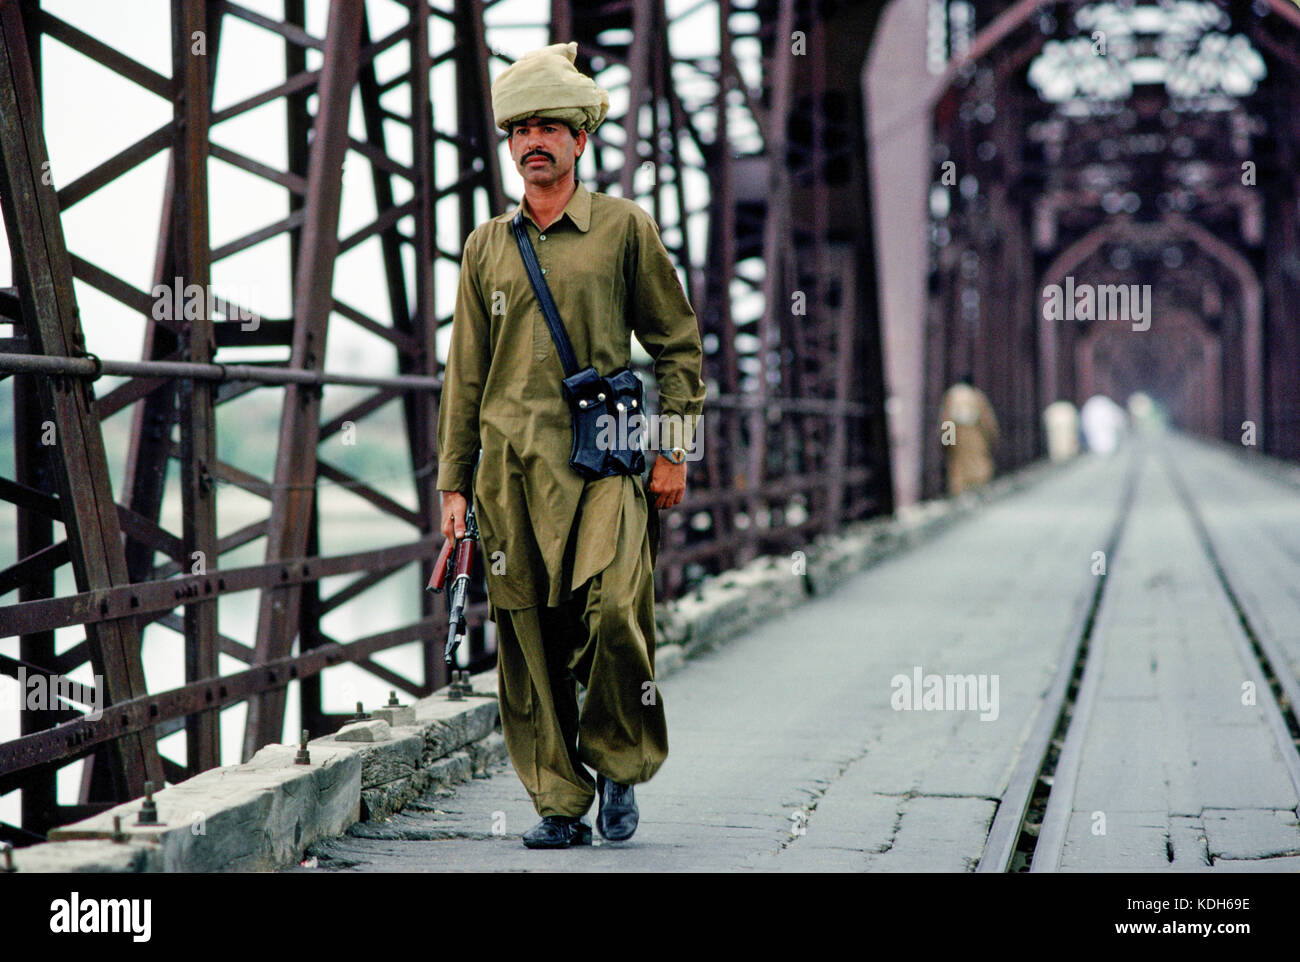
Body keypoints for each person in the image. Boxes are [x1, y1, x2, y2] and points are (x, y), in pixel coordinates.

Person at [436, 42, 706, 849]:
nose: (533, 142)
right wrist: (455, 485)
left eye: (550, 126)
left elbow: (678, 345)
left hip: (607, 462)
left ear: (580, 139)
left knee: (617, 610)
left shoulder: (624, 228)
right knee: (527, 638)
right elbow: (465, 374)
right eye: (519, 129)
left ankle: (619, 761)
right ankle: (560, 802)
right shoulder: (487, 245)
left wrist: (675, 448)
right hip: (511, 474)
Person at [939, 373, 998, 495]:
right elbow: (987, 420)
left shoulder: (951, 395)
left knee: (958, 463)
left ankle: (960, 490)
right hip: (975, 435)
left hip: (958, 435)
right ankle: (979, 487)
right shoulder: (977, 396)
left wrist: (947, 441)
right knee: (978, 460)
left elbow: (947, 420)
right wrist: (992, 437)